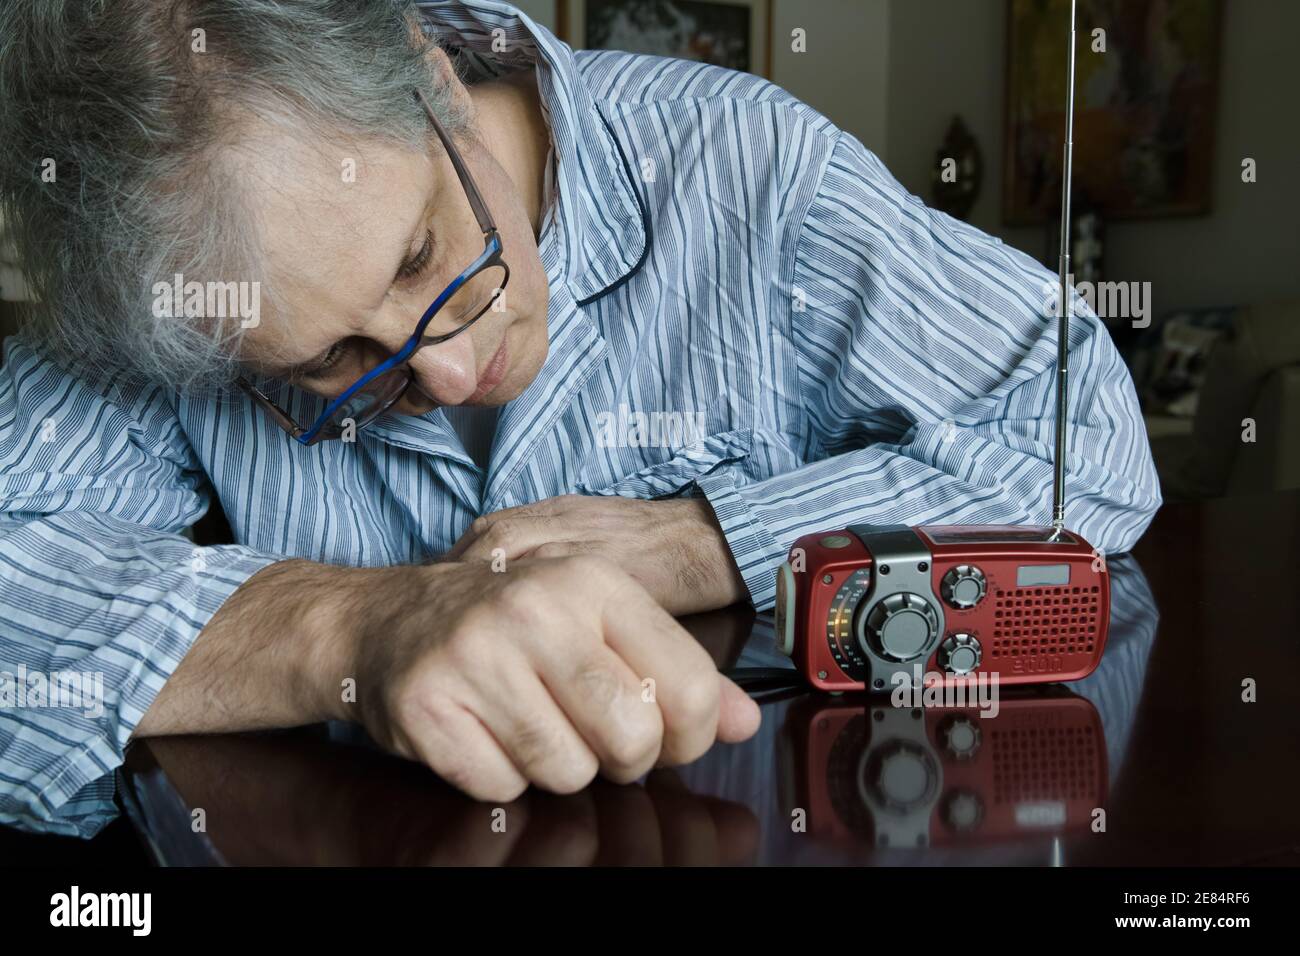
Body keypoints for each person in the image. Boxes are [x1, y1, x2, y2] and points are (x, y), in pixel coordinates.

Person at [0, 0, 1160, 836]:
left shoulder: (748, 169)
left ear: (434, 77)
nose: (453, 370)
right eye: (330, 358)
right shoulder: (161, 301)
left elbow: (1082, 431)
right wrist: (351, 629)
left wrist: (694, 541)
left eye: (425, 255)